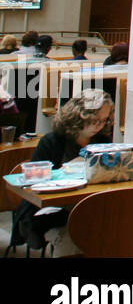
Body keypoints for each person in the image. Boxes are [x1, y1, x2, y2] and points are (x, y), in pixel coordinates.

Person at [11, 90, 114, 254]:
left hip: (87, 204)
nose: (99, 126)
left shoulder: (102, 141)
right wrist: (66, 170)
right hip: (50, 209)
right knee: (73, 234)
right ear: (79, 115)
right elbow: (33, 183)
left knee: (114, 227)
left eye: (103, 121)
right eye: (94, 120)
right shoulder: (52, 142)